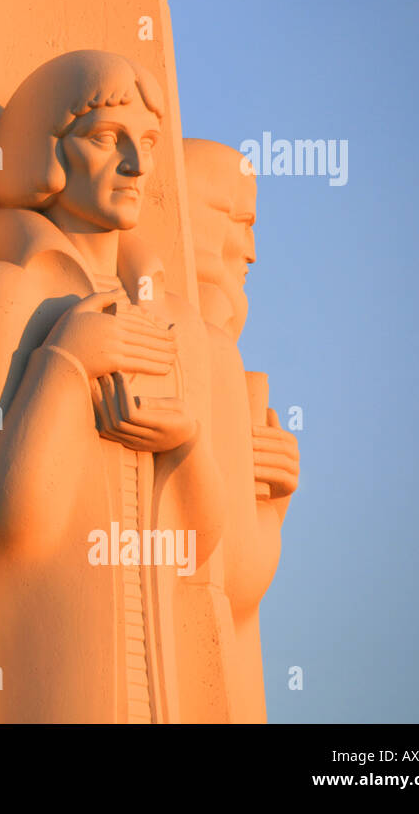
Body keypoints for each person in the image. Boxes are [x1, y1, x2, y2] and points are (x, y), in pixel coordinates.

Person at [0, 50, 226, 722]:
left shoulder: (172, 322)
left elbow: (198, 546)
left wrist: (187, 444)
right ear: (48, 151)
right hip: (47, 664)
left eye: (149, 143)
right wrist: (66, 367)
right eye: (107, 139)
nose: (136, 165)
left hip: (155, 668)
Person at [183, 137, 299, 721]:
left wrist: (271, 506)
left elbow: (235, 579)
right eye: (239, 221)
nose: (251, 250)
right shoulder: (202, 343)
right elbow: (231, 569)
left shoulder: (211, 343)